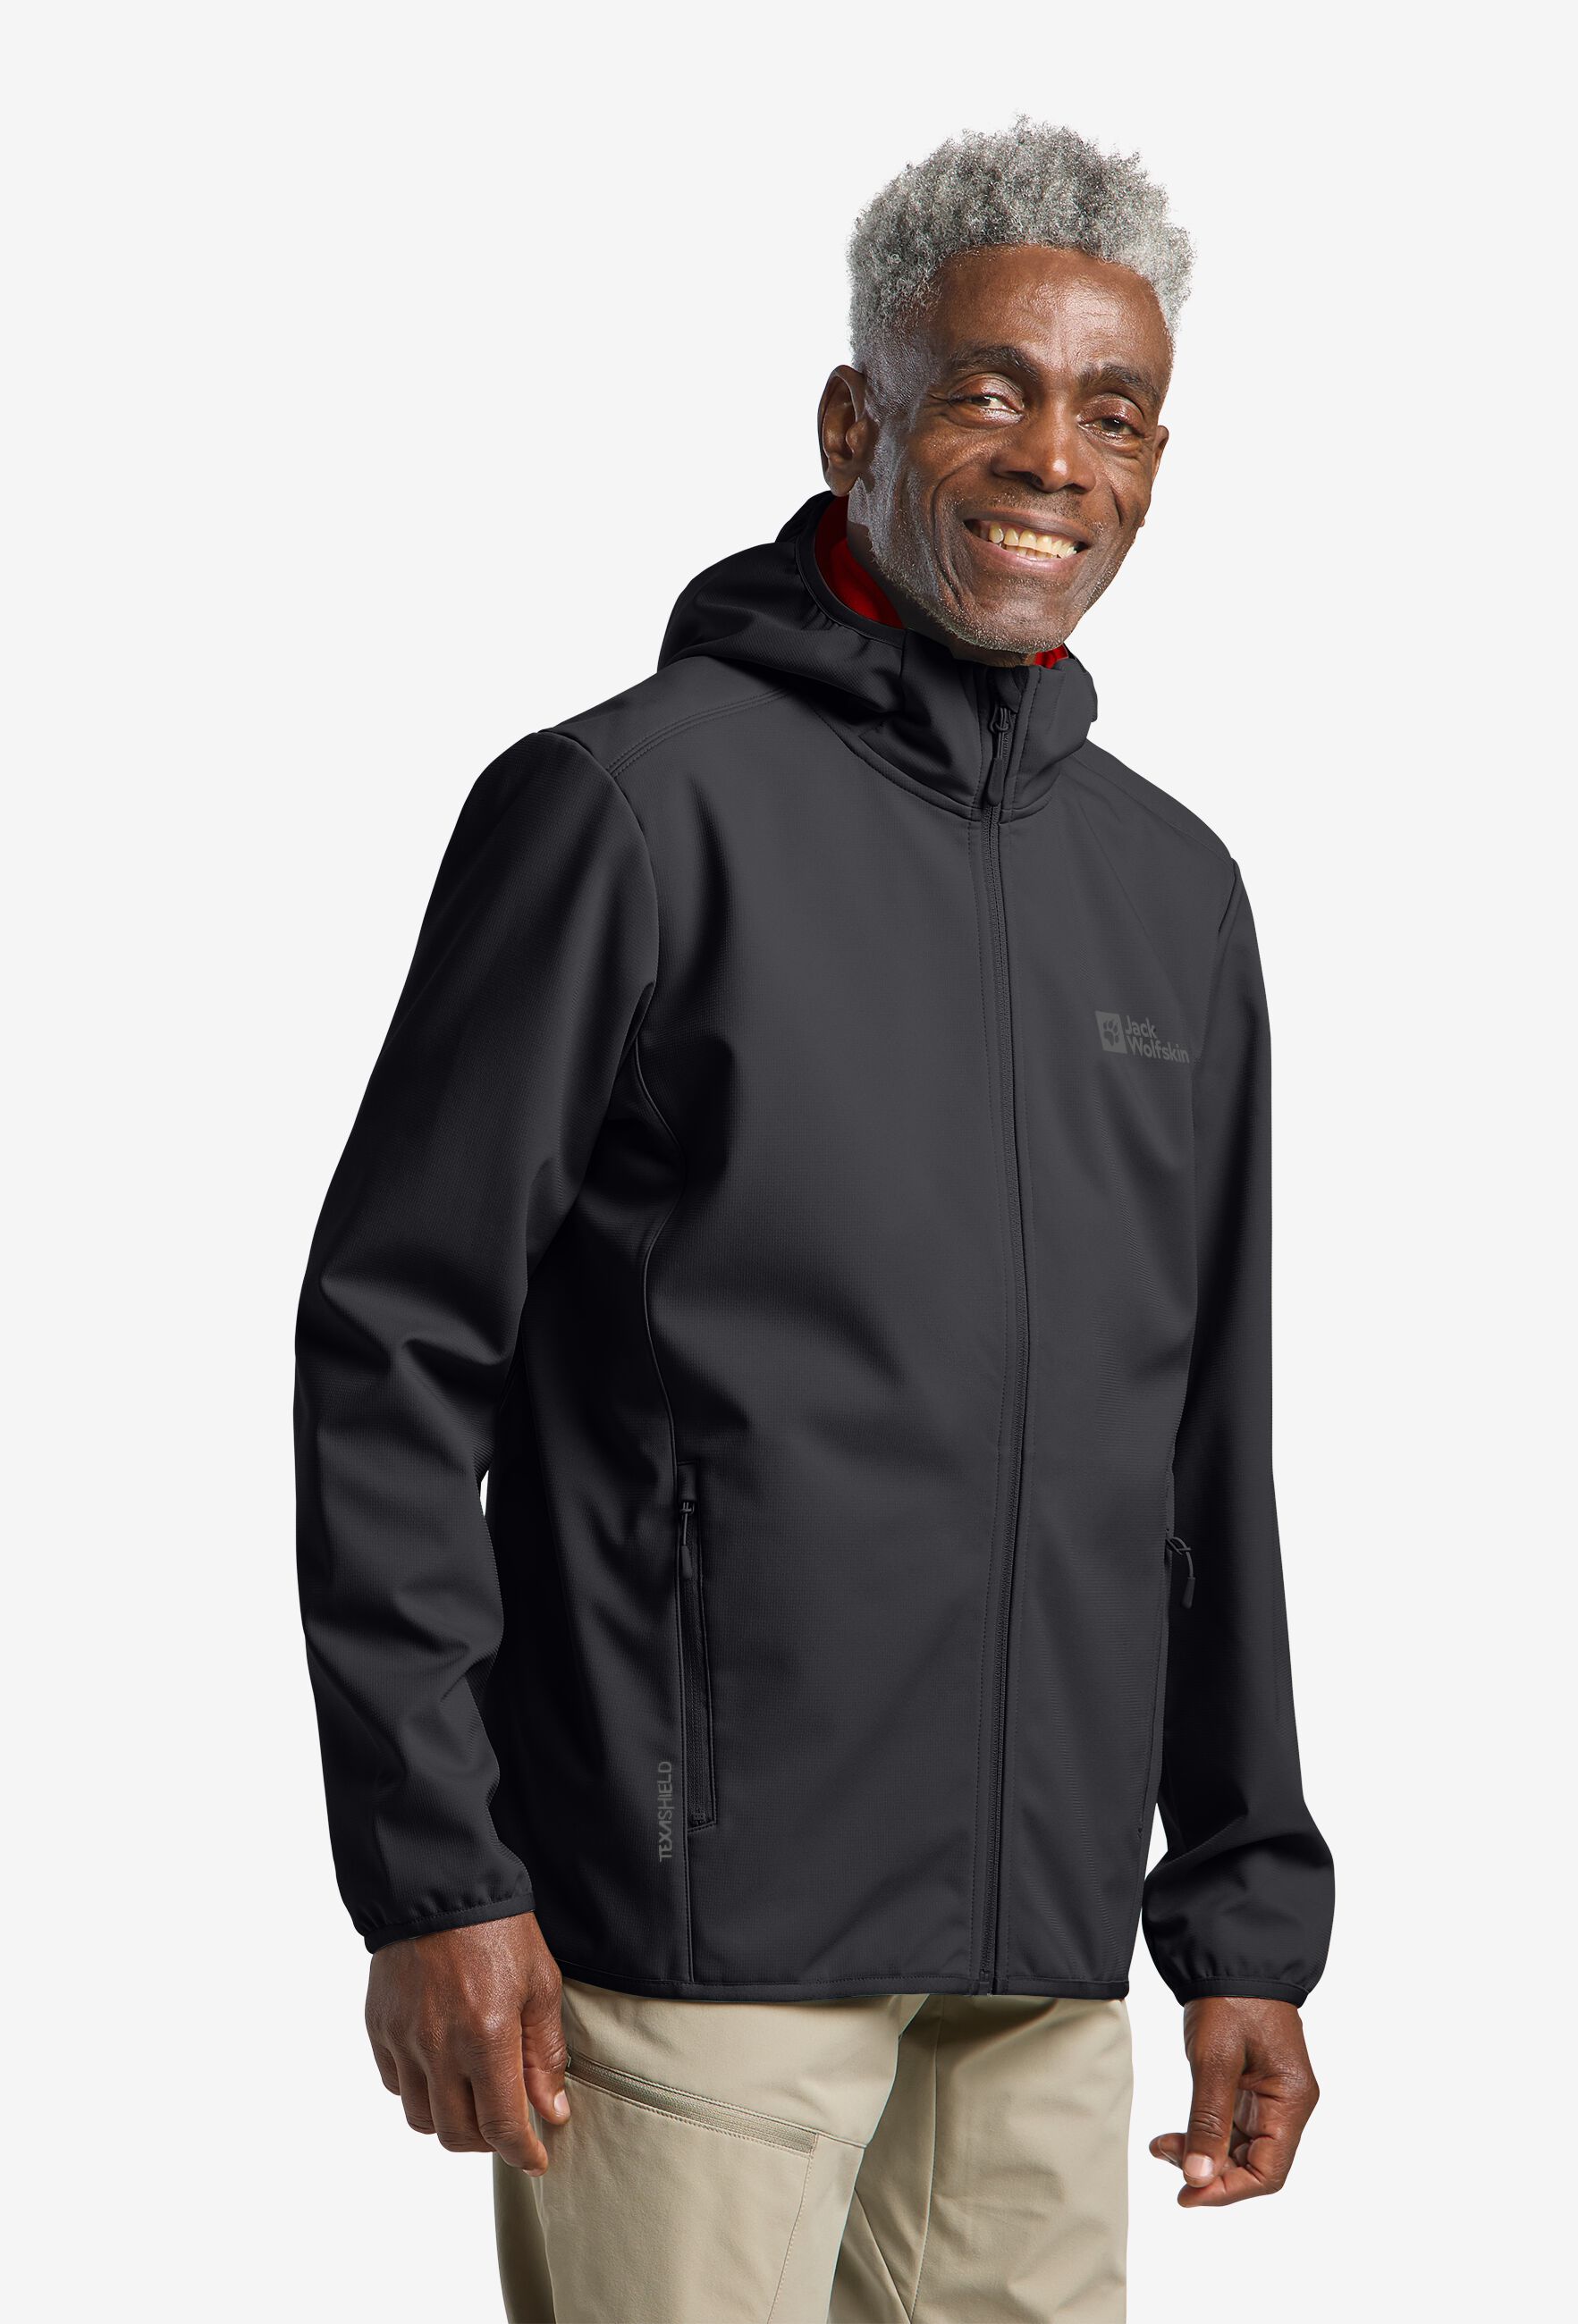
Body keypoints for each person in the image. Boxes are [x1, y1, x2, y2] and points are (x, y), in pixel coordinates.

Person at [294, 117, 1333, 2323]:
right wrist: (434, 1874)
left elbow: (1206, 1442)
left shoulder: (1173, 895)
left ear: (1156, 463)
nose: (1055, 458)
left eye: (1115, 411)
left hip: (1036, 1973)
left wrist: (1244, 1916)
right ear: (857, 423)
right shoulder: (630, 809)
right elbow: (394, 1350)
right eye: (992, 391)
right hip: (692, 1950)